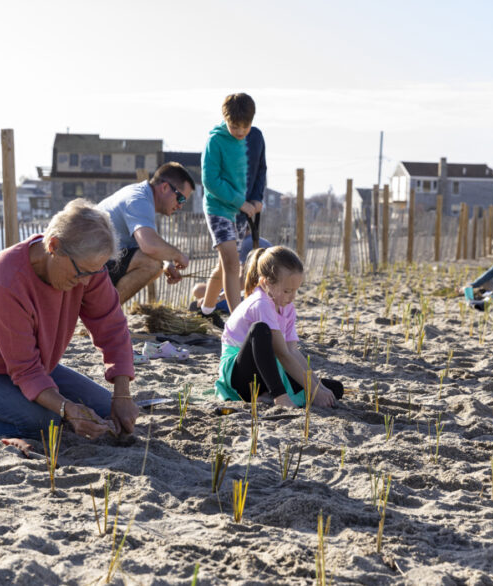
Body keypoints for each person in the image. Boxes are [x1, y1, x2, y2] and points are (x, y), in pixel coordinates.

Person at [0, 199, 140, 441]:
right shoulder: (4, 282)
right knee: (45, 423)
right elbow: (26, 371)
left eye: (94, 272)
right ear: (54, 246)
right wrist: (66, 409)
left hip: (27, 367)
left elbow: (112, 327)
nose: (85, 282)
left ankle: (3, 408)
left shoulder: (89, 268)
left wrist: (122, 395)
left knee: (104, 408)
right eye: (82, 272)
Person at [214, 246, 343, 408]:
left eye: (296, 290)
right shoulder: (261, 303)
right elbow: (282, 354)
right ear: (265, 283)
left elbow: (292, 351)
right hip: (240, 377)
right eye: (287, 291)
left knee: (335, 389)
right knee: (259, 330)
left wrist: (318, 388)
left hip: (270, 371)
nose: (293, 297)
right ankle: (279, 396)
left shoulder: (287, 307)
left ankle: (266, 395)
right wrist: (313, 390)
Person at [198, 93, 259, 326]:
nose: (241, 131)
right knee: (233, 264)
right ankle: (238, 322)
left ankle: (205, 309)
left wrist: (255, 199)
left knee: (225, 264)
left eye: (246, 126)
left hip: (241, 210)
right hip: (219, 208)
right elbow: (210, 181)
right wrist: (239, 201)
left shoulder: (251, 139)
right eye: (235, 126)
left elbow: (256, 170)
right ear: (225, 120)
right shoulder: (216, 141)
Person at [98, 162, 196, 304]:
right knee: (152, 263)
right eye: (180, 199)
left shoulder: (142, 197)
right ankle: (106, 315)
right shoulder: (139, 200)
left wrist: (167, 262)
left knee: (158, 264)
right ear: (165, 187)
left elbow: (146, 244)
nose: (180, 206)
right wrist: (178, 255)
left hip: (97, 261)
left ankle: (107, 313)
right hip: (87, 267)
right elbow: (149, 246)